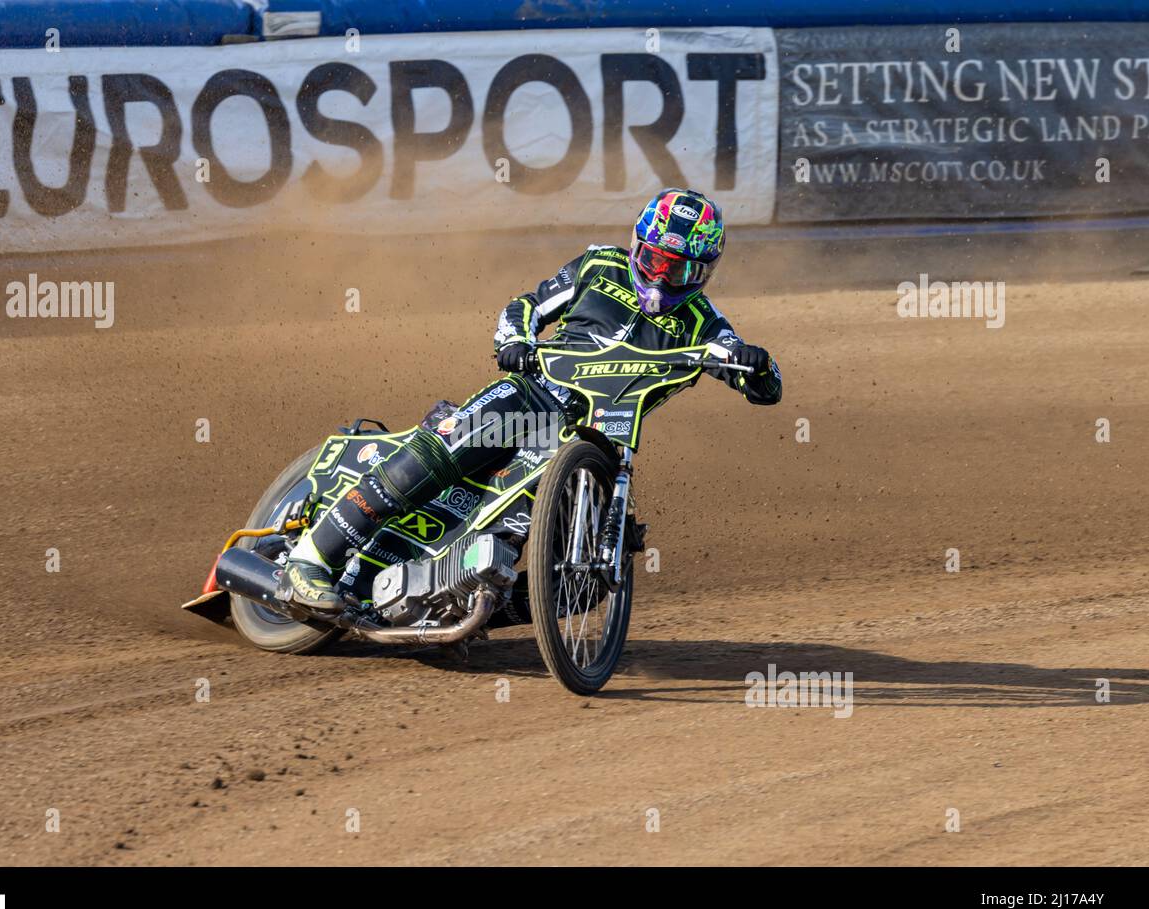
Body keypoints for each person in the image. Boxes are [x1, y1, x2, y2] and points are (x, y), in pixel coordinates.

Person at [283, 187, 782, 613]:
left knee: (586, 583)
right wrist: (513, 340)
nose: (659, 278)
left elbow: (765, 386)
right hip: (534, 396)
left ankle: (477, 606)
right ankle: (312, 559)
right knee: (450, 445)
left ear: (703, 273)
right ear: (637, 245)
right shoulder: (599, 265)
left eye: (677, 272)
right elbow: (525, 305)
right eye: (653, 261)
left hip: (599, 446)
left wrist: (757, 365)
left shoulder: (706, 324)